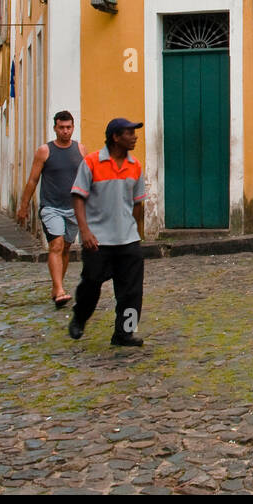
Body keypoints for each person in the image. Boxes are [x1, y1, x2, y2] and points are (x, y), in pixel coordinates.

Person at [68, 118, 147, 347]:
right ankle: (80, 317)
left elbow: (138, 204)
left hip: (128, 240)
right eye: (129, 133)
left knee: (132, 292)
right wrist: (85, 231)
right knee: (91, 284)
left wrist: (136, 232)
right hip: (98, 240)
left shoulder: (135, 166)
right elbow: (78, 197)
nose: (135, 137)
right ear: (115, 137)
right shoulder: (92, 162)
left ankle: (125, 333)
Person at [18, 111, 89, 308]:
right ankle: (59, 290)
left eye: (68, 127)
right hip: (51, 207)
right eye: (61, 127)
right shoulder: (44, 151)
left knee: (65, 248)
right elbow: (33, 180)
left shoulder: (81, 149)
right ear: (55, 128)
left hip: (73, 208)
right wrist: (23, 206)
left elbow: (88, 178)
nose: (65, 131)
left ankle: (57, 285)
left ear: (73, 127)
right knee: (56, 246)